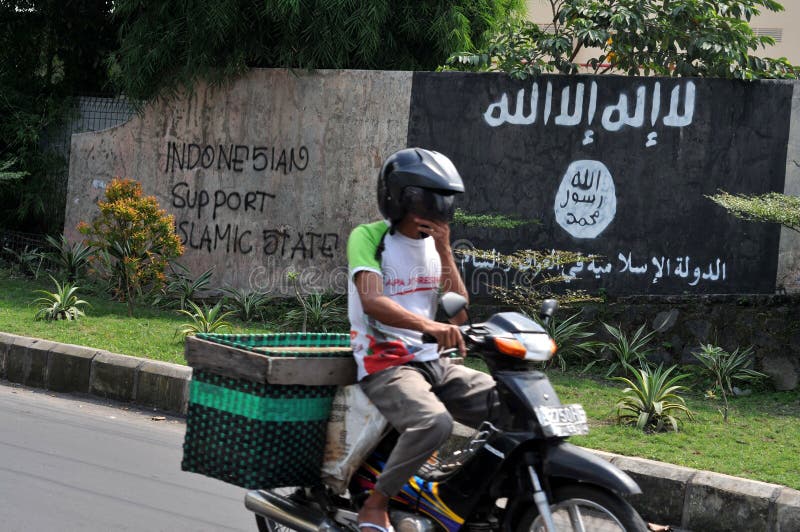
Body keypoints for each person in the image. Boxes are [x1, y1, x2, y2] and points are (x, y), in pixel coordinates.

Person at [347, 148, 498, 532]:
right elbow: (372, 300)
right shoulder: (368, 237)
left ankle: (464, 495)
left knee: (509, 405)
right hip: (386, 362)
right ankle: (375, 504)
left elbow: (459, 314)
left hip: (433, 362)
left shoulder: (435, 247)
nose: (435, 210)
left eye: (442, 202)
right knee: (435, 423)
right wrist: (429, 328)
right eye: (426, 199)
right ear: (399, 198)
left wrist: (446, 250)